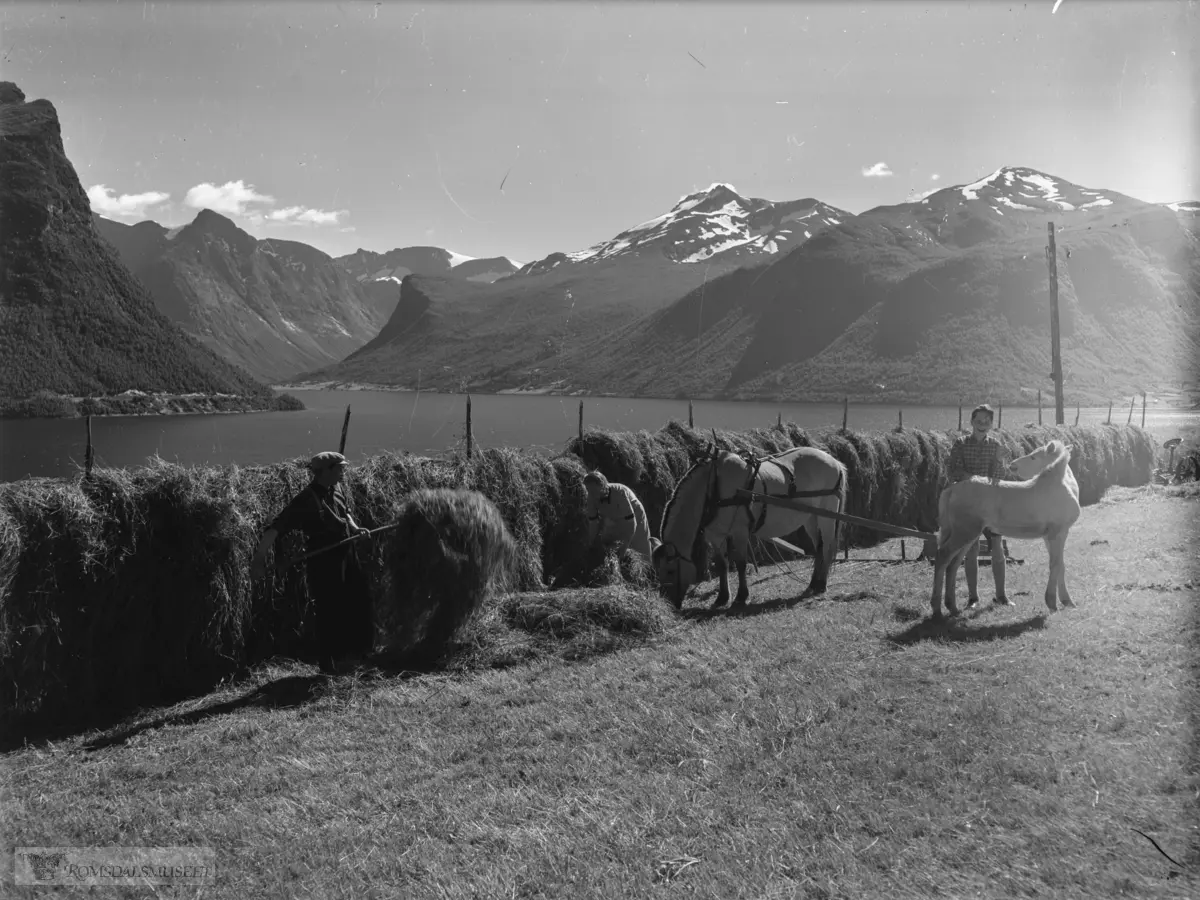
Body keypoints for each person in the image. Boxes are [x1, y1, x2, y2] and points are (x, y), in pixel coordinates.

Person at [250, 451, 374, 674]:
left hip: (347, 552)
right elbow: (276, 528)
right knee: (330, 609)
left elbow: (345, 513)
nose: (343, 471)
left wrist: (355, 529)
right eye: (340, 468)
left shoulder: (336, 488)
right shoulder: (305, 500)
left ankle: (355, 654)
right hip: (324, 560)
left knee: (357, 600)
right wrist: (258, 559)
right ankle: (330, 663)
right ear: (325, 472)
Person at [947, 404, 1012, 607]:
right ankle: (973, 598)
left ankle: (1001, 596)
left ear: (991, 424)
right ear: (972, 422)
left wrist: (1000, 462)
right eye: (979, 420)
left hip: (991, 505)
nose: (982, 424)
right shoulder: (960, 443)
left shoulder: (995, 446)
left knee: (998, 550)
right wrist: (974, 479)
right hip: (969, 505)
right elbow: (953, 470)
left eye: (987, 421)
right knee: (971, 550)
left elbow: (998, 479)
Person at [582, 471, 653, 559]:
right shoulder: (591, 497)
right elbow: (593, 523)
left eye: (594, 490)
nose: (591, 494)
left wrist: (625, 546)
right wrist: (591, 543)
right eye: (589, 490)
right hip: (614, 517)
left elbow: (631, 523)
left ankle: (648, 569)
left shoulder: (619, 492)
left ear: (602, 485)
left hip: (636, 516)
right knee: (608, 544)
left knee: (640, 548)